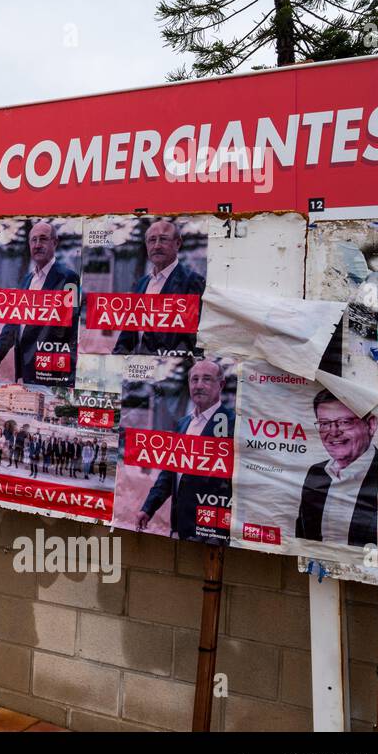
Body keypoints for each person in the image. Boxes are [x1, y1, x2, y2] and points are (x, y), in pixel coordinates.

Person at [136, 360, 233, 541]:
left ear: (221, 385)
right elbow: (169, 473)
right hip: (182, 529)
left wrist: (220, 535)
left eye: (207, 379)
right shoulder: (183, 424)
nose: (199, 385)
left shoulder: (232, 424)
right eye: (194, 379)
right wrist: (148, 508)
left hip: (213, 534)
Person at [0, 221, 80, 384]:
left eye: (43, 239)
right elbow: (12, 324)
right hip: (25, 370)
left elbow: (70, 329)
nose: (37, 245)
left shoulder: (69, 278)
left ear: (54, 243)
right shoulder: (26, 281)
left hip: (51, 373)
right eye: (33, 240)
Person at [295, 389, 378, 547]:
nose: (333, 432)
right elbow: (303, 537)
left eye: (345, 422)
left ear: (371, 425)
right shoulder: (316, 474)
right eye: (325, 424)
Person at [112, 219, 207, 356]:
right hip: (138, 370)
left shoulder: (192, 282)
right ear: (146, 245)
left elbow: (195, 340)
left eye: (163, 239)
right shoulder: (141, 284)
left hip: (170, 369)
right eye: (152, 240)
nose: (156, 246)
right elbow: (127, 335)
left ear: (178, 243)